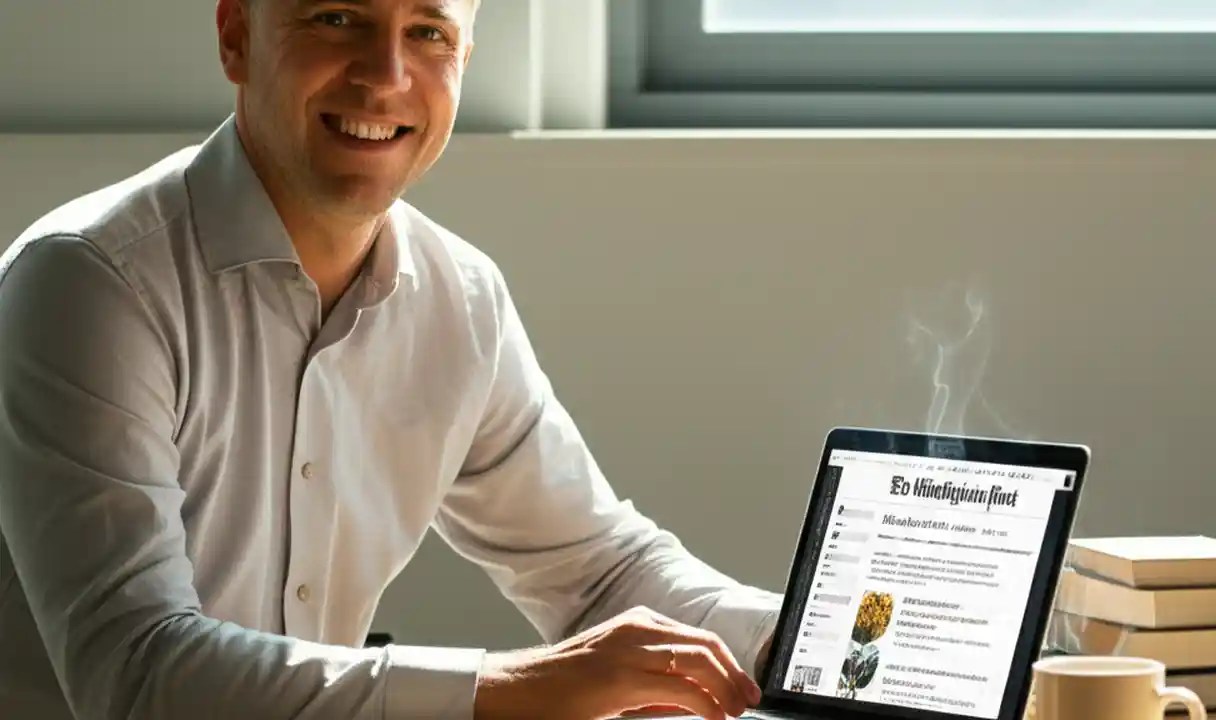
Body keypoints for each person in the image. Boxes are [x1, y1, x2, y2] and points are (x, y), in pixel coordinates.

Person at [0, 1, 782, 718]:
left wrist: (796, 644)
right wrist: (514, 690)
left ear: (463, 58)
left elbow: (601, 573)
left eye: (428, 32)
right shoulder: (89, 283)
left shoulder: (460, 300)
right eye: (337, 18)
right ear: (236, 36)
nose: (386, 75)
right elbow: (135, 672)